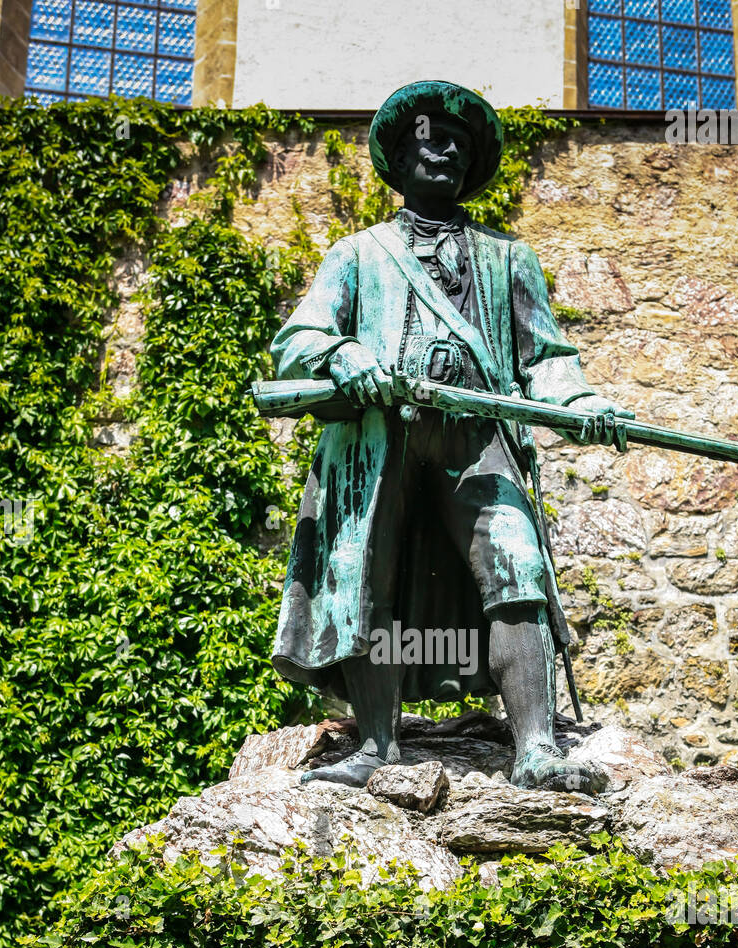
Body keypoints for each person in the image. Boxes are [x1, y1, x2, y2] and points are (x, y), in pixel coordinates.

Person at [269, 80, 630, 790]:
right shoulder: (357, 254)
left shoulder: (507, 260)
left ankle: (536, 749)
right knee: (367, 577)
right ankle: (377, 745)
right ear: (400, 161)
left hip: (476, 436)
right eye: (430, 141)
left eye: (458, 145)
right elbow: (299, 340)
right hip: (380, 441)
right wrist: (343, 356)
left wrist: (582, 401)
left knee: (518, 564)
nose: (445, 152)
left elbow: (547, 359)